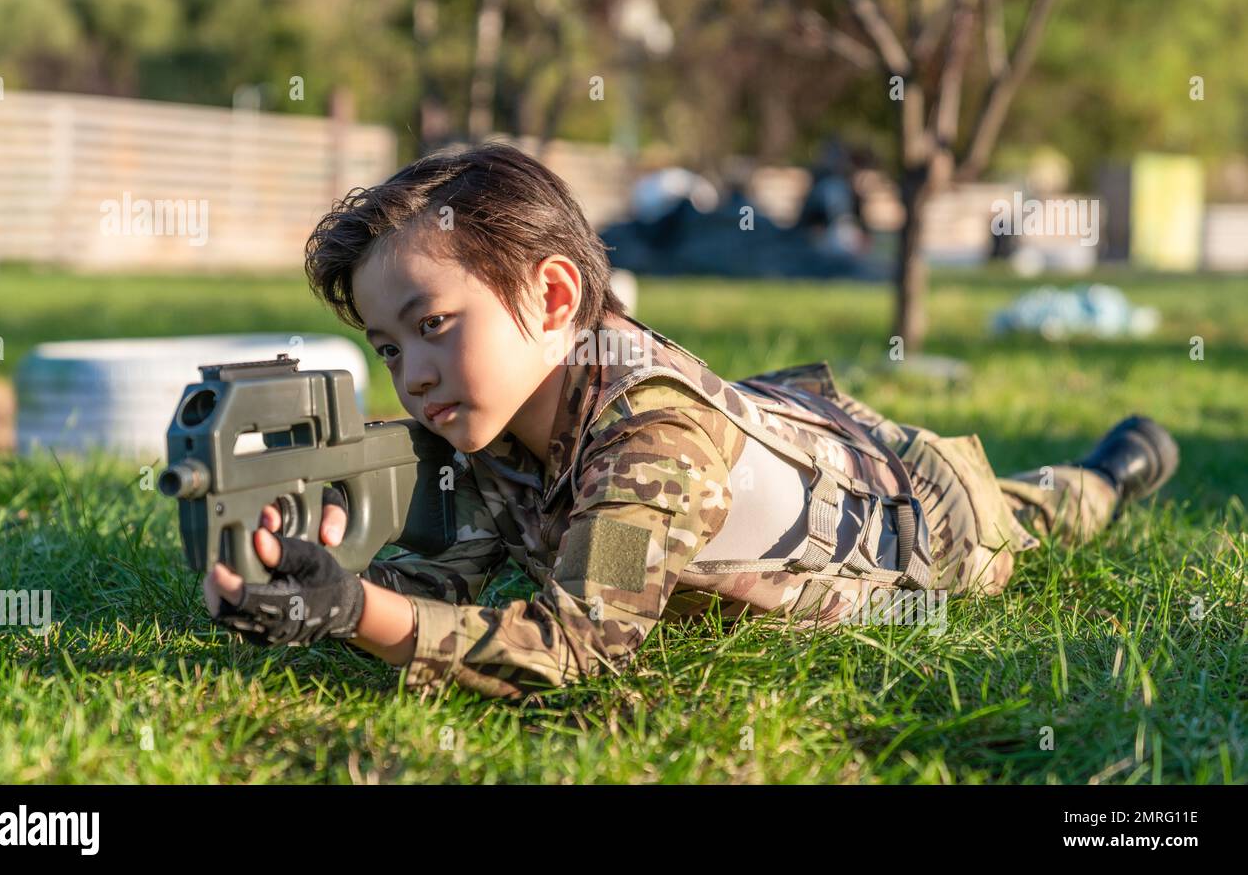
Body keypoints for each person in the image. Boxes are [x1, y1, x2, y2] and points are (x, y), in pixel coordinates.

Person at [202, 142, 1179, 701]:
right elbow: (458, 578)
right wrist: (309, 594)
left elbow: (578, 647)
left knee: (1031, 514)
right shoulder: (500, 414)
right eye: (387, 348)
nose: (412, 376)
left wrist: (362, 618)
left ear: (551, 296)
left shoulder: (649, 449)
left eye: (434, 328)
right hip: (776, 428)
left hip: (914, 517)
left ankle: (1108, 471)